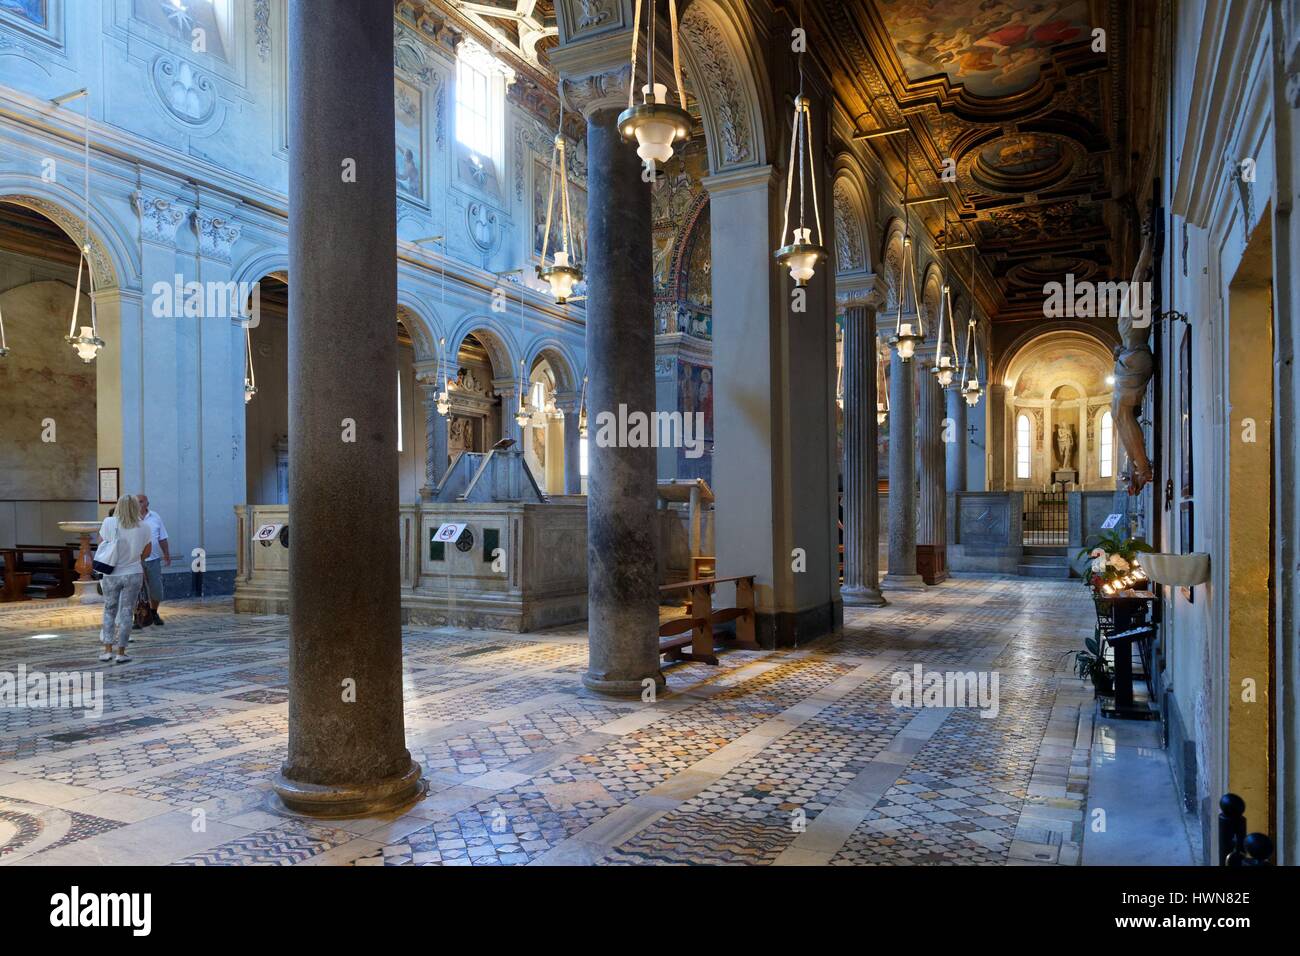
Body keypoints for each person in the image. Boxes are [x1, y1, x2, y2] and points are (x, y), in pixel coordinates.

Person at [97, 494, 151, 663]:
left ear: (118, 506)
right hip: (133, 573)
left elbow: (101, 543)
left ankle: (107, 651)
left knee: (109, 610)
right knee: (127, 612)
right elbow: (147, 552)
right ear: (136, 507)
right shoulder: (144, 526)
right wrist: (134, 559)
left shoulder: (109, 522)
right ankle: (121, 653)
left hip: (111, 573)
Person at [136, 493, 171, 627]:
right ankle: (137, 616)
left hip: (153, 559)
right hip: (135, 560)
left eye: (141, 502)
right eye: (136, 502)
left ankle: (154, 612)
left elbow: (162, 537)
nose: (138, 504)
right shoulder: (131, 518)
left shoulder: (155, 517)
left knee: (156, 588)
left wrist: (166, 554)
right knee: (136, 589)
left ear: (147, 504)